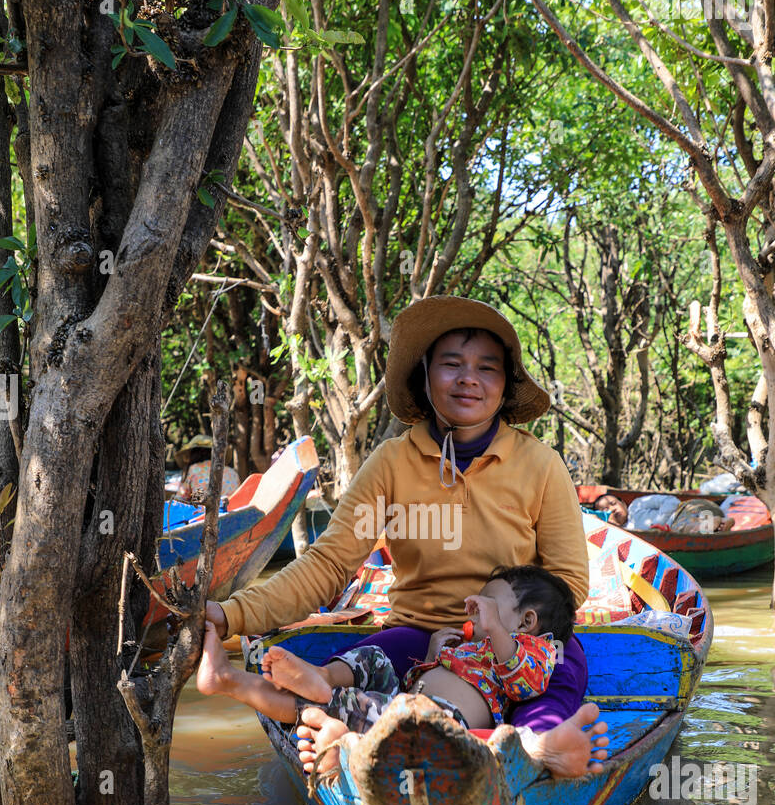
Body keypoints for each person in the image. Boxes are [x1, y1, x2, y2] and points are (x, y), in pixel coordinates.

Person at [200, 294, 609, 777]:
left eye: (487, 368)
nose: (468, 379)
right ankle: (339, 726)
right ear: (425, 375)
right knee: (350, 665)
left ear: (505, 383)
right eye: (451, 364)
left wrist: (501, 628)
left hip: (517, 634)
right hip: (416, 633)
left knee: (563, 662)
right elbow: (329, 565)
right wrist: (231, 614)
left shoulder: (541, 464)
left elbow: (567, 582)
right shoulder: (391, 462)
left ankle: (540, 743)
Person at [199, 566, 575, 770]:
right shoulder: (472, 646)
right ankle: (319, 679)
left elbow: (524, 681)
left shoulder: (534, 652)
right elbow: (421, 679)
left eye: (490, 602)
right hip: (401, 702)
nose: (477, 609)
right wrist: (432, 655)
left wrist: (493, 627)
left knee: (332, 708)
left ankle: (241, 684)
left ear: (526, 621)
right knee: (376, 660)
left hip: (436, 724)